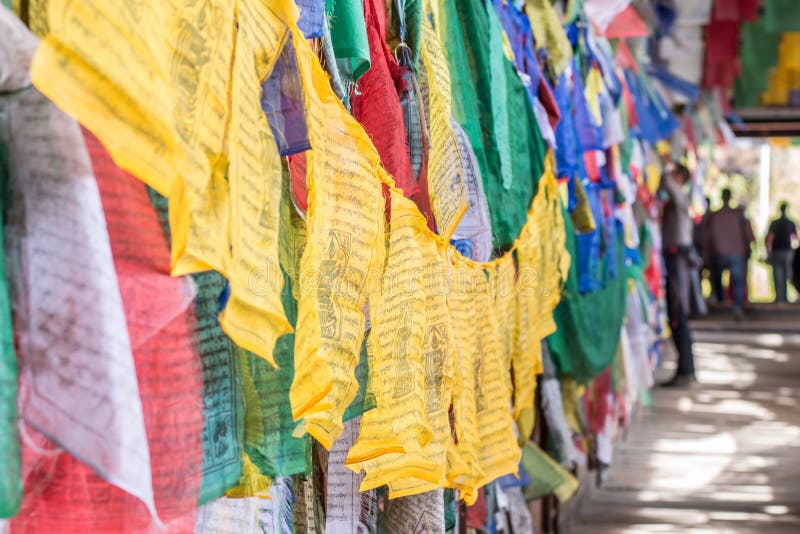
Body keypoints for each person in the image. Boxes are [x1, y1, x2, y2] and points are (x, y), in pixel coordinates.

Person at [659, 163, 696, 386]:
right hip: (674, 258)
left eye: (674, 174)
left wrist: (663, 163)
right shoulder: (679, 200)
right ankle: (685, 369)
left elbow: (666, 182)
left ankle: (686, 371)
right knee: (676, 316)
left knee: (678, 315)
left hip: (677, 258)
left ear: (679, 177)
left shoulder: (680, 197)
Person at [706, 188, 755, 320]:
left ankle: (723, 307)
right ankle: (736, 307)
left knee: (718, 281)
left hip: (719, 252)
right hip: (735, 252)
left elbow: (708, 235)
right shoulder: (737, 214)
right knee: (737, 282)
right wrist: (748, 248)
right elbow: (748, 235)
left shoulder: (716, 215)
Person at [765, 201, 797, 303]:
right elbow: (795, 238)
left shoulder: (776, 223)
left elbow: (769, 238)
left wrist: (768, 251)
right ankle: (782, 298)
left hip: (778, 252)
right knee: (786, 276)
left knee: (779, 276)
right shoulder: (790, 223)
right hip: (785, 252)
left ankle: (780, 298)